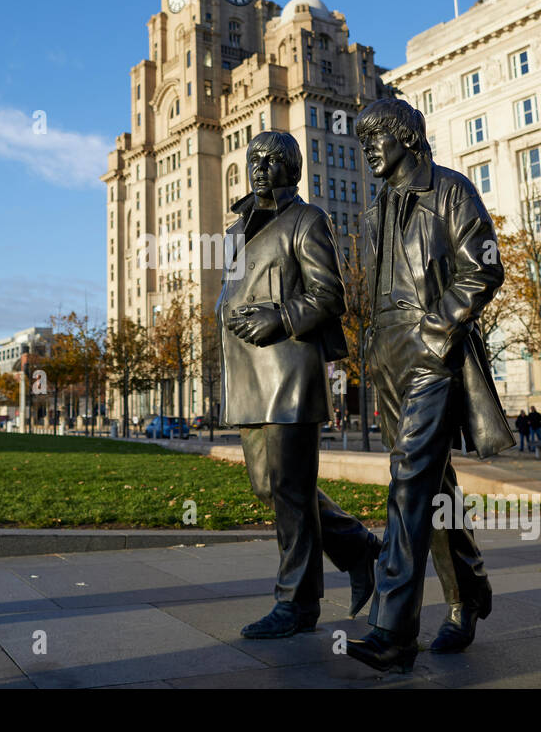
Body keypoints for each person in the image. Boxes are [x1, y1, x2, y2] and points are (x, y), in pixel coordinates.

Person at [344, 98, 513, 673]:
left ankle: (392, 631)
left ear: (408, 137)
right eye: (363, 138)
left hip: (432, 349)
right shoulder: (374, 209)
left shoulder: (450, 190)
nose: (368, 147)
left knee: (409, 482)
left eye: (377, 136)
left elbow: (484, 265)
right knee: (432, 485)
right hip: (387, 355)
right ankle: (470, 591)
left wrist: (438, 328)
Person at [216, 130, 381, 639]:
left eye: (272, 159)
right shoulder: (236, 228)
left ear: (292, 168)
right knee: (273, 488)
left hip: (287, 372)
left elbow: (330, 296)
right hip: (248, 376)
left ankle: (297, 603)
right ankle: (357, 546)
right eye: (254, 159)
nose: (261, 167)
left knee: (289, 490)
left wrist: (280, 316)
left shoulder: (308, 220)